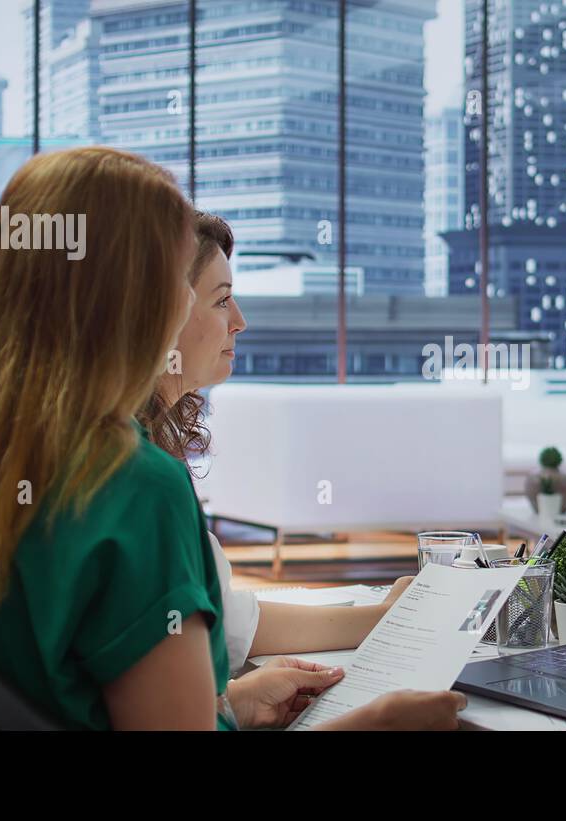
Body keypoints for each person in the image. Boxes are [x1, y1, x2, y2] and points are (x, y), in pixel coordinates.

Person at [0, 146, 465, 730]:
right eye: (174, 277)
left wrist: (227, 707)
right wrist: (373, 725)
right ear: (125, 299)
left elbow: (70, 693)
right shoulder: (134, 486)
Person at [136, 211, 414, 674]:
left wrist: (381, 618)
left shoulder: (130, 450)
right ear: (164, 315)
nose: (240, 321)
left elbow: (217, 619)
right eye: (222, 301)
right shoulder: (141, 476)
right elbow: (205, 636)